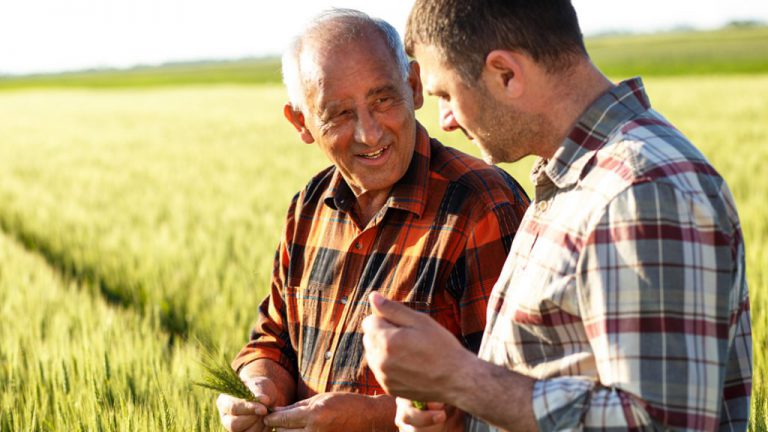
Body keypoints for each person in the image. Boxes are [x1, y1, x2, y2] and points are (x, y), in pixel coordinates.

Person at [362, 1, 753, 431]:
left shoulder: (641, 191)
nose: (446, 121)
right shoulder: (576, 178)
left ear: (505, 74)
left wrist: (462, 378)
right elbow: (558, 378)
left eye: (446, 95)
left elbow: (660, 423)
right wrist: (462, 413)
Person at [215, 8, 530, 432]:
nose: (369, 133)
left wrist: (370, 419)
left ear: (414, 87)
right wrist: (258, 388)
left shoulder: (482, 207)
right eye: (339, 114)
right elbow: (273, 341)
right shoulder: (309, 206)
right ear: (301, 123)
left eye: (383, 100)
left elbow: (513, 397)